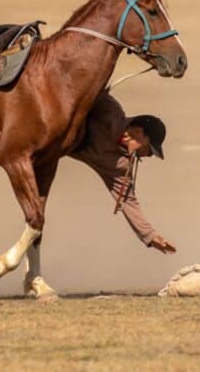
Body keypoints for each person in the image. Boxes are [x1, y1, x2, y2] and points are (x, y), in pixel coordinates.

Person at [70, 91, 177, 253]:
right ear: (140, 133)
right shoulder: (110, 109)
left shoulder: (121, 166)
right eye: (149, 150)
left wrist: (150, 236)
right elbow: (87, 89)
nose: (147, 155)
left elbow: (128, 200)